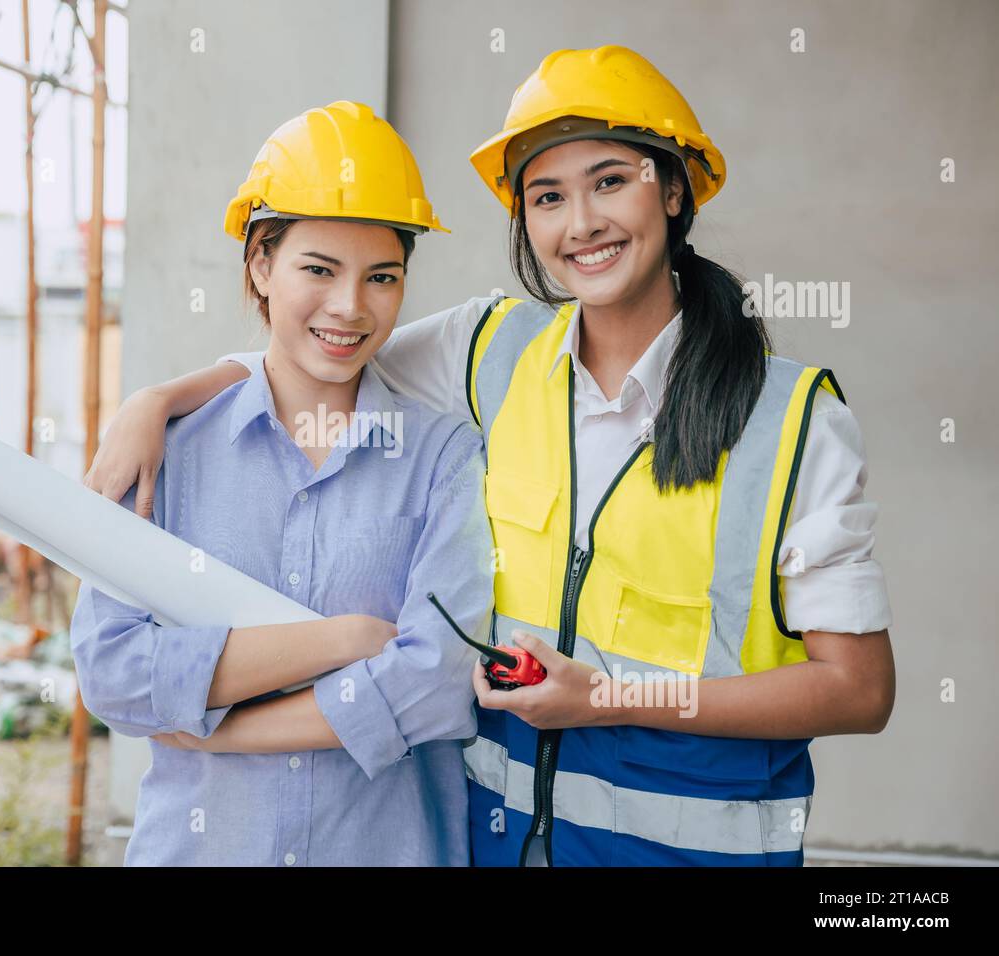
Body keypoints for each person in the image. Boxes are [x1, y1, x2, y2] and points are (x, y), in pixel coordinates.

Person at [85, 47, 895, 867]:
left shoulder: (792, 423)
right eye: (548, 197)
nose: (580, 223)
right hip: (503, 844)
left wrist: (610, 699)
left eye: (611, 182)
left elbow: (860, 691)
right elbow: (322, 351)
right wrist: (160, 400)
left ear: (675, 188)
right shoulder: (491, 353)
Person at [69, 101, 494, 866]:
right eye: (318, 269)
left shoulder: (444, 460)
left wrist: (220, 721)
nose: (350, 307)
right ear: (261, 264)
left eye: (382, 277)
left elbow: (438, 681)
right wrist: (346, 642)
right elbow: (114, 673)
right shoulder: (168, 456)